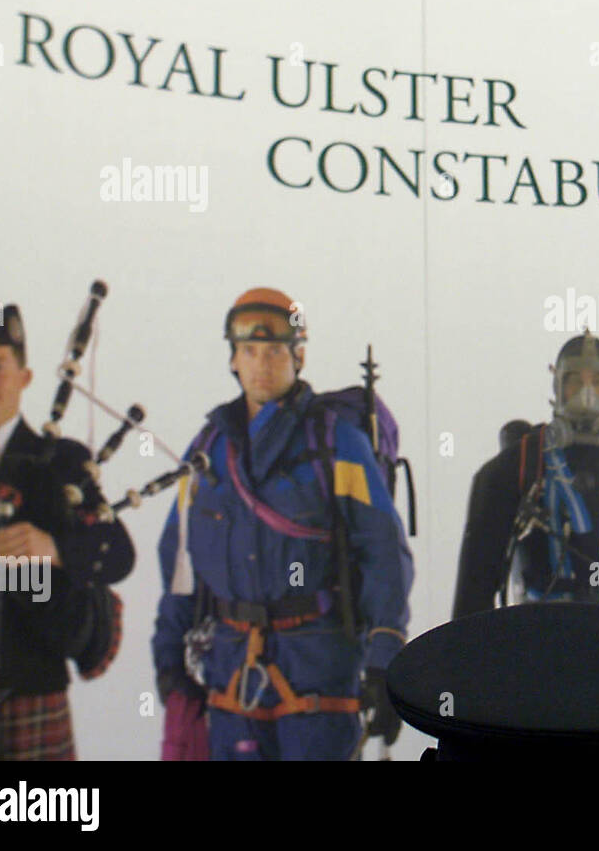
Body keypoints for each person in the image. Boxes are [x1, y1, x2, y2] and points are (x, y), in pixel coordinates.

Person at [151, 287, 413, 760]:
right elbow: (180, 561)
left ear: (299, 355)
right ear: (233, 359)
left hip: (318, 671)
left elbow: (383, 553)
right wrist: (169, 657)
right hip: (231, 673)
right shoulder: (208, 451)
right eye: (249, 351)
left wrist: (384, 660)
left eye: (274, 350)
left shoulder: (337, 444)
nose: (261, 363)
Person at [0, 300, 133, 759]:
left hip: (31, 687)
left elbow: (116, 553)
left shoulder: (62, 462)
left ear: (24, 377)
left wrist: (55, 547)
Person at [452, 331, 599, 618]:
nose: (587, 393)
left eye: (598, 383)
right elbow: (474, 589)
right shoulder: (517, 467)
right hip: (538, 633)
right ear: (558, 387)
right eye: (576, 382)